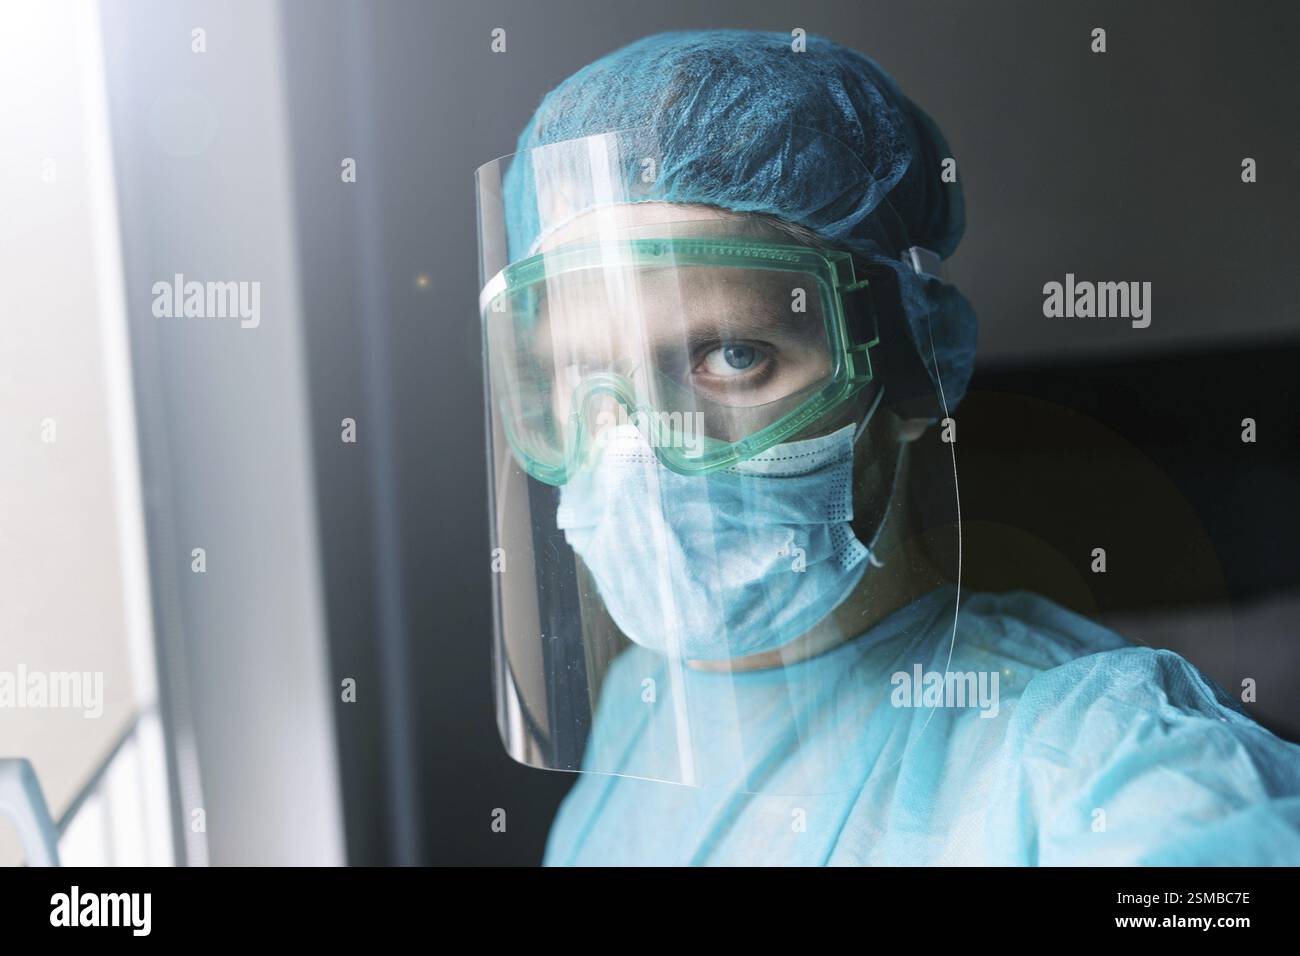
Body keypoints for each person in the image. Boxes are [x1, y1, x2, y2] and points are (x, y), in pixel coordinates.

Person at [474, 29, 1300, 865]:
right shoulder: (642, 706)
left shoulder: (1099, 757)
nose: (637, 453)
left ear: (910, 371)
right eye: (582, 374)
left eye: (732, 355)